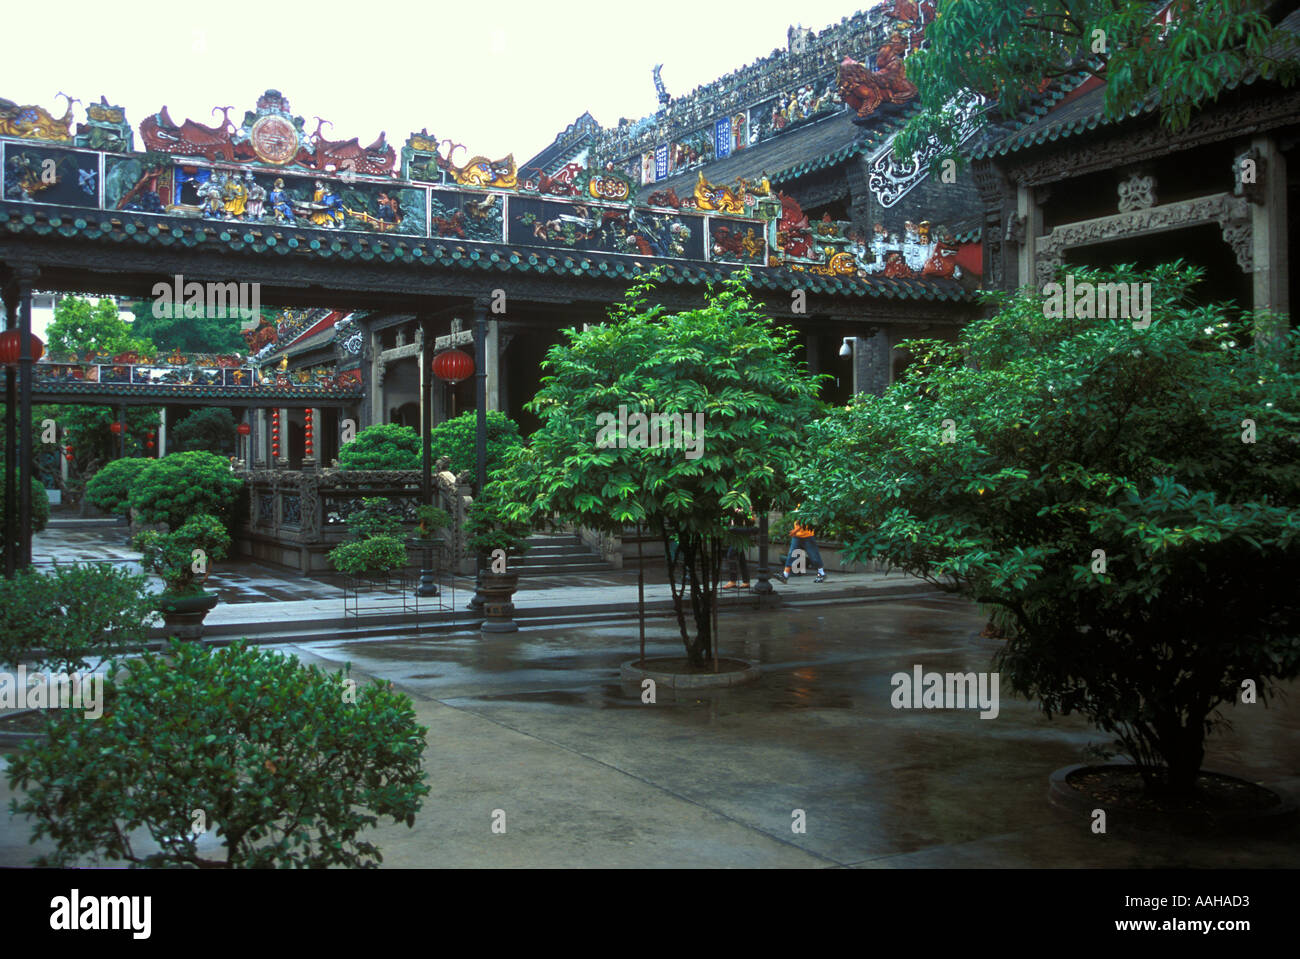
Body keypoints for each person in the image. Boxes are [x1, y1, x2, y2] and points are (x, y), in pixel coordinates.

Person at [780, 509, 826, 583]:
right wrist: (795, 532)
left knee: (814, 556)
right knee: (792, 555)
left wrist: (794, 531)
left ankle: (821, 573)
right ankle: (785, 575)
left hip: (808, 536)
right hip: (797, 537)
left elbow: (803, 522)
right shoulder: (797, 506)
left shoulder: (807, 506)